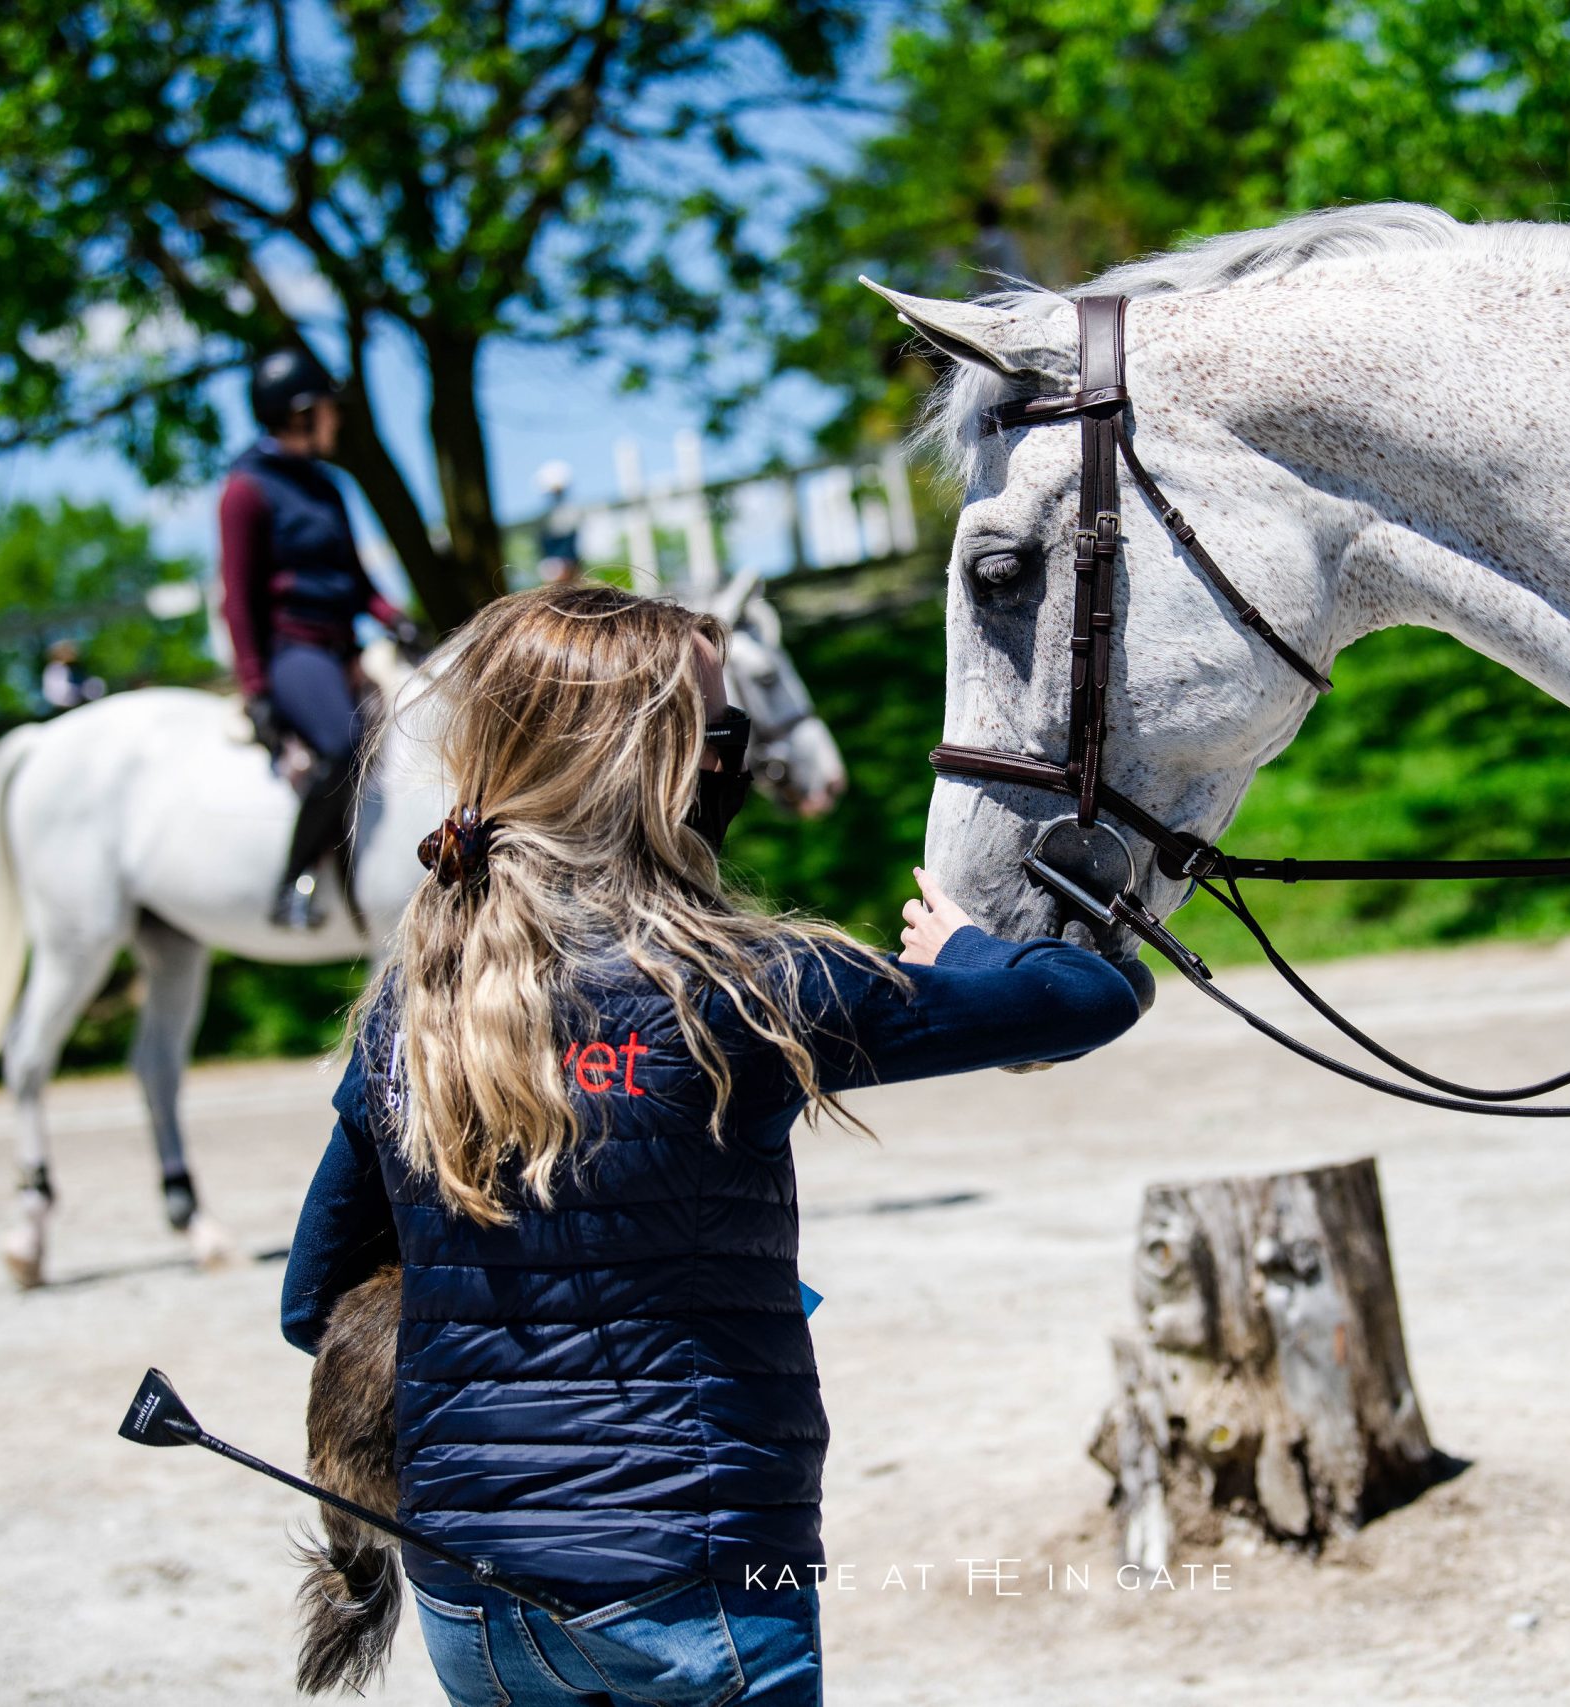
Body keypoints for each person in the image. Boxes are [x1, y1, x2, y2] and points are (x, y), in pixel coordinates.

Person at [278, 582, 1142, 1706]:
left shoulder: (413, 1010)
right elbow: (1088, 994)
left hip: (469, 1596)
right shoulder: (741, 990)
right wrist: (965, 944)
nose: (732, 765)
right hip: (699, 1582)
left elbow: (316, 1304)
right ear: (666, 765)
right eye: (720, 737)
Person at [220, 346, 422, 929]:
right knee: (343, 744)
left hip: (347, 648)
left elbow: (358, 581)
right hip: (294, 651)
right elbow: (238, 598)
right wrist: (256, 688)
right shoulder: (245, 490)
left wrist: (393, 616)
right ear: (300, 413)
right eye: (328, 410)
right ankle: (294, 882)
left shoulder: (329, 485)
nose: (337, 419)